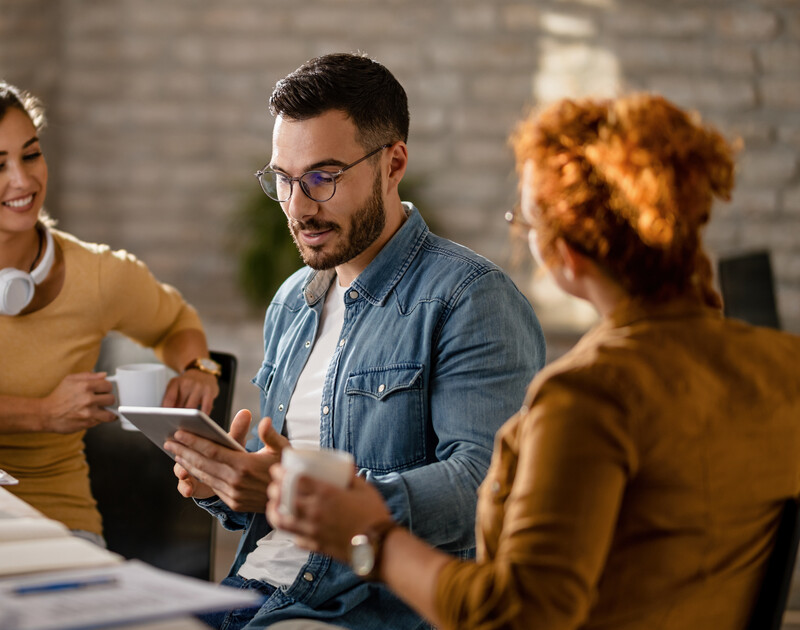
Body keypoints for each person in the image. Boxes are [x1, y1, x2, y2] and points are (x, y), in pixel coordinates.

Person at [264, 93, 800, 630]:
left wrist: (373, 538)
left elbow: (517, 615)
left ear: (566, 253)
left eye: (526, 222)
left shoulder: (588, 397)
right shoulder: (785, 366)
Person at [164, 53, 545, 629]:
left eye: (323, 177)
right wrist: (227, 484)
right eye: (284, 180)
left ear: (393, 164)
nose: (298, 206)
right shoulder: (294, 300)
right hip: (256, 588)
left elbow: (486, 486)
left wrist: (305, 489)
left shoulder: (470, 298)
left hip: (364, 608)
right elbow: (280, 500)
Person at [0, 77, 220, 542]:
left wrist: (199, 368)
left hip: (58, 519)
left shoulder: (101, 274)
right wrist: (40, 414)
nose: (23, 180)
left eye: (30, 154)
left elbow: (176, 322)